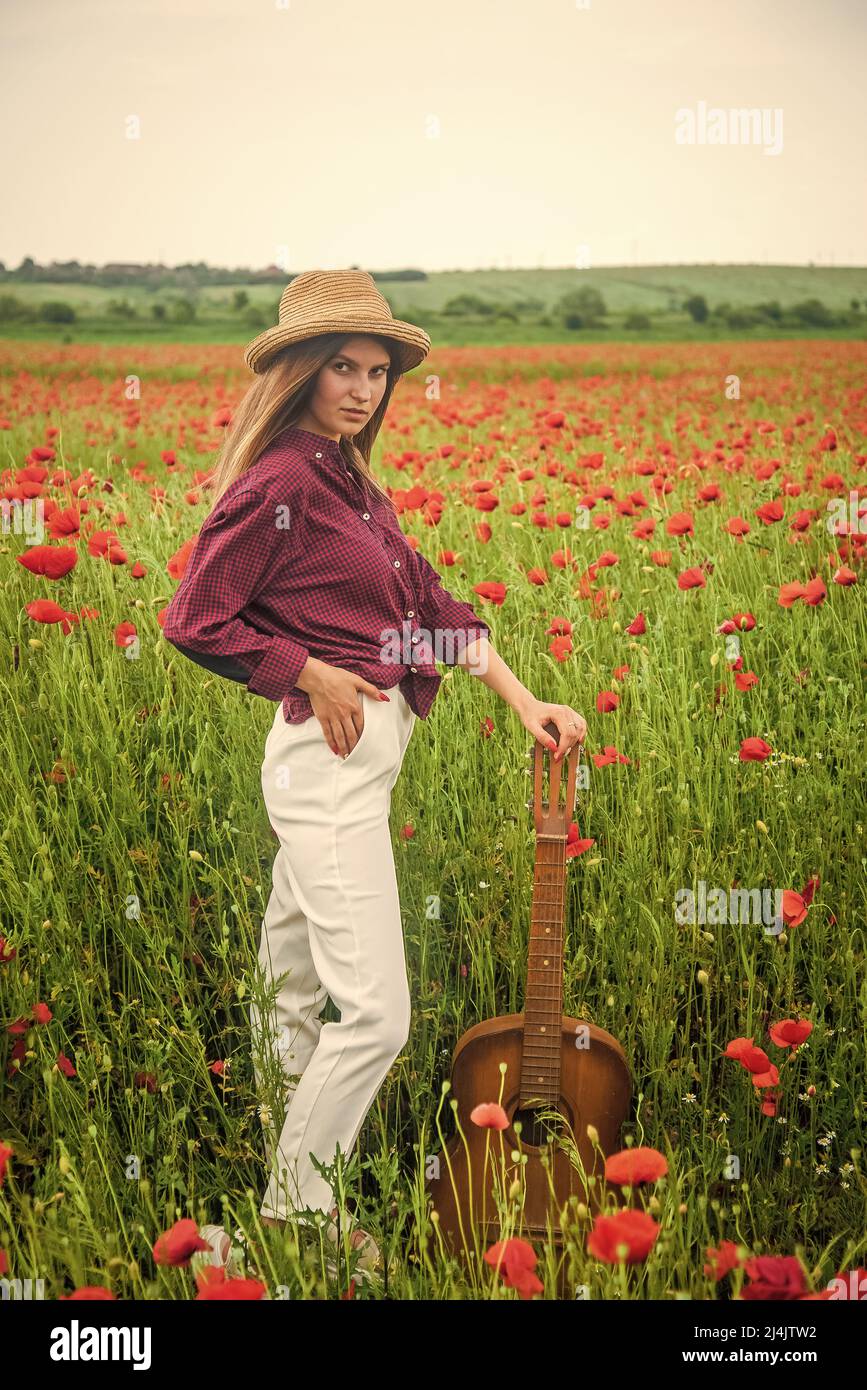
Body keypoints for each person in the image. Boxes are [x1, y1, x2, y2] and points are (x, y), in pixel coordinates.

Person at [161, 269, 587, 1280]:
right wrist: (301, 667)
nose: (362, 387)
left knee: (292, 986)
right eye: (342, 367)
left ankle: (280, 1196)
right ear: (302, 371)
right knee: (381, 1012)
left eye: (378, 370)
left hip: (357, 760)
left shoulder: (351, 482)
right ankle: (296, 1210)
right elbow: (192, 618)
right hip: (327, 764)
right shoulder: (281, 486)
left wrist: (523, 700)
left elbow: (430, 600)